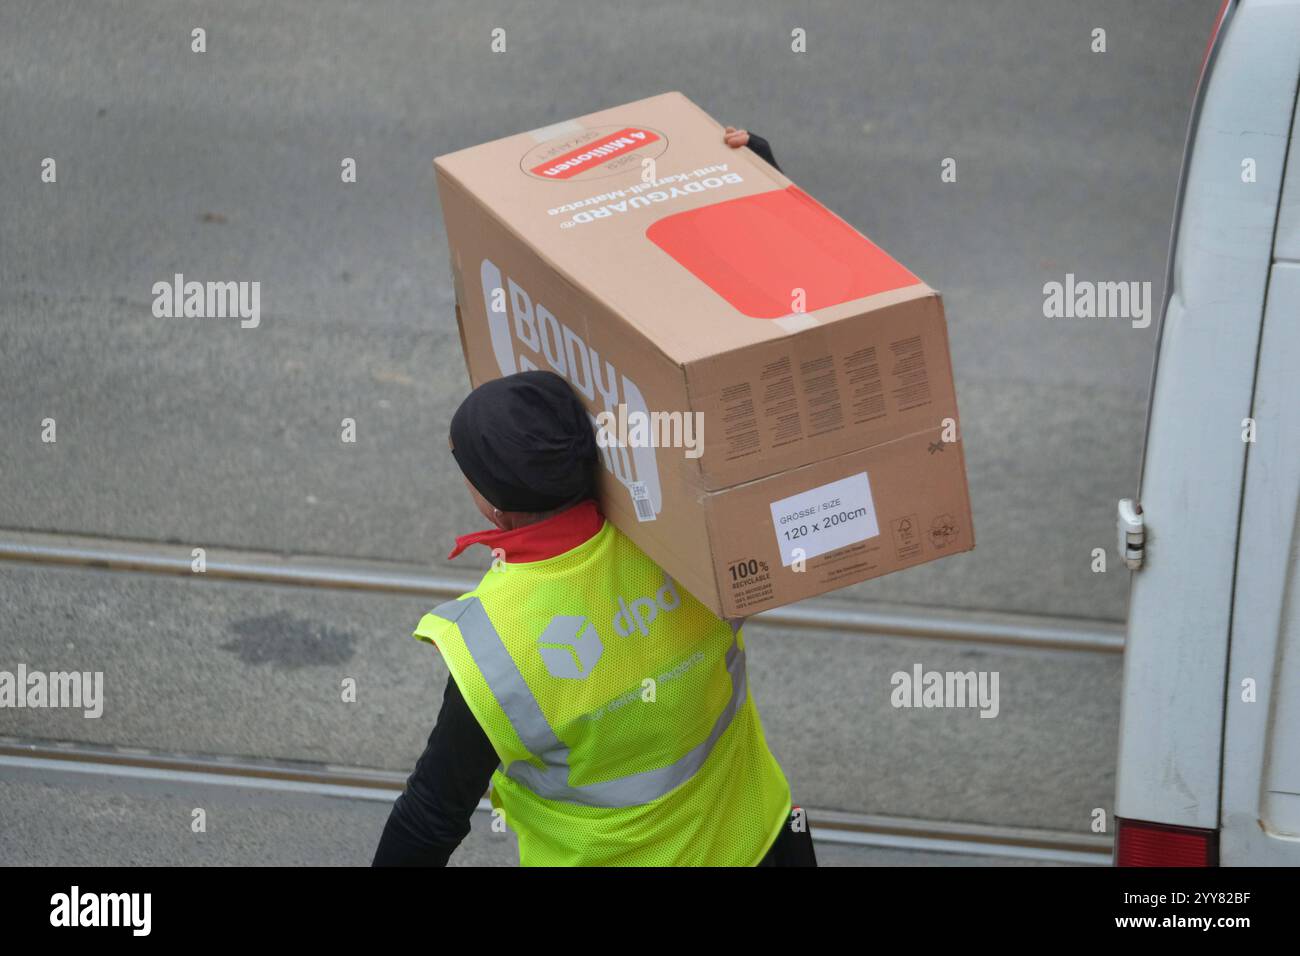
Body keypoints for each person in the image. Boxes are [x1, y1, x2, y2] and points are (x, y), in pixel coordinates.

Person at [372, 128, 813, 868]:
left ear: (494, 508)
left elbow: (429, 816)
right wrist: (754, 168)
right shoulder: (681, 534)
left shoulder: (496, 651)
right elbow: (750, 341)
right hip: (764, 843)